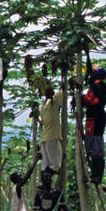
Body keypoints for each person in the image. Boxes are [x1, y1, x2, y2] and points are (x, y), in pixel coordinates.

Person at [27, 56, 65, 189]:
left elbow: (42, 122)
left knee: (45, 163)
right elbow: (62, 89)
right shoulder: (53, 103)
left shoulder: (43, 105)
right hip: (53, 137)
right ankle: (45, 181)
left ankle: (43, 182)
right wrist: (63, 73)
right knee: (56, 164)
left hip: (44, 138)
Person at [82, 66, 106, 185]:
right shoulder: (103, 86)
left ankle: (97, 175)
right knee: (95, 145)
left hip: (95, 119)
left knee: (94, 146)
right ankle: (95, 174)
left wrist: (80, 97)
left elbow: (90, 100)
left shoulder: (96, 86)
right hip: (98, 118)